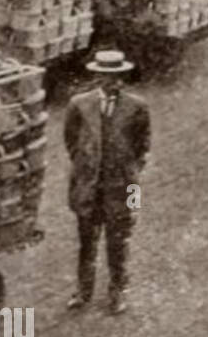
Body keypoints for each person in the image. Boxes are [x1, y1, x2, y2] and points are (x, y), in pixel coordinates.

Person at [63, 51, 151, 316]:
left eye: (117, 77)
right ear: (97, 76)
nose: (113, 82)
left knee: (118, 244)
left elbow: (142, 148)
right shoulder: (79, 104)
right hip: (89, 187)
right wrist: (86, 167)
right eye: (106, 76)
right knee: (86, 244)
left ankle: (118, 292)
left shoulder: (137, 107)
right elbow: (71, 142)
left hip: (122, 187)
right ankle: (83, 291)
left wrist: (130, 185)